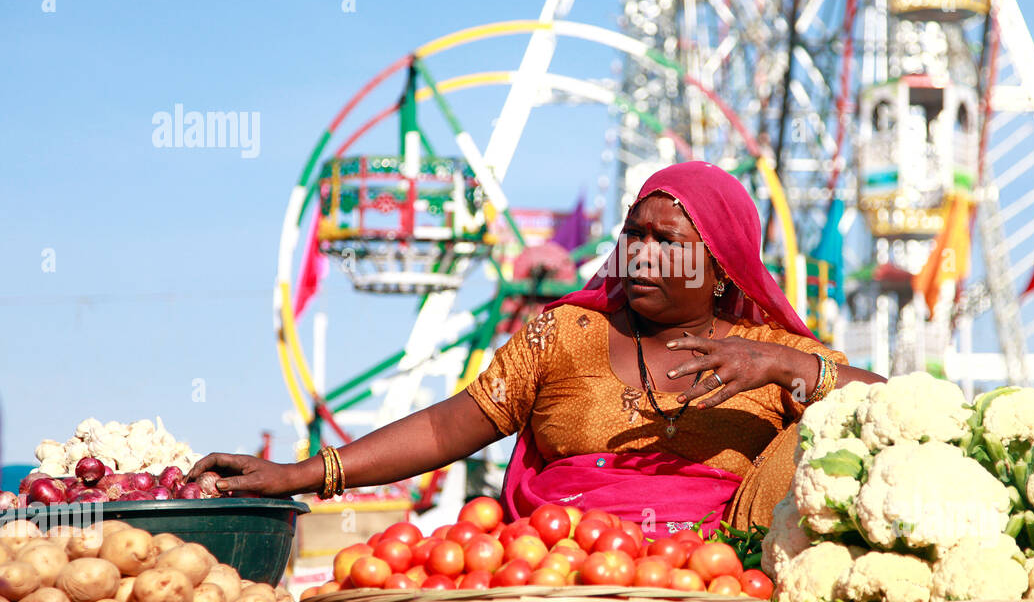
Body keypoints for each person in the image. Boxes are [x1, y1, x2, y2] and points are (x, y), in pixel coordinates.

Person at [188, 161, 883, 534]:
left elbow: (897, 409)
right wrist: (302, 473)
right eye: (631, 232)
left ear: (723, 265)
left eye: (663, 241)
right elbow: (446, 424)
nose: (637, 252)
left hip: (718, 591)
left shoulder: (772, 353)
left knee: (822, 426)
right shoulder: (563, 335)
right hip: (552, 576)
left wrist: (790, 367)